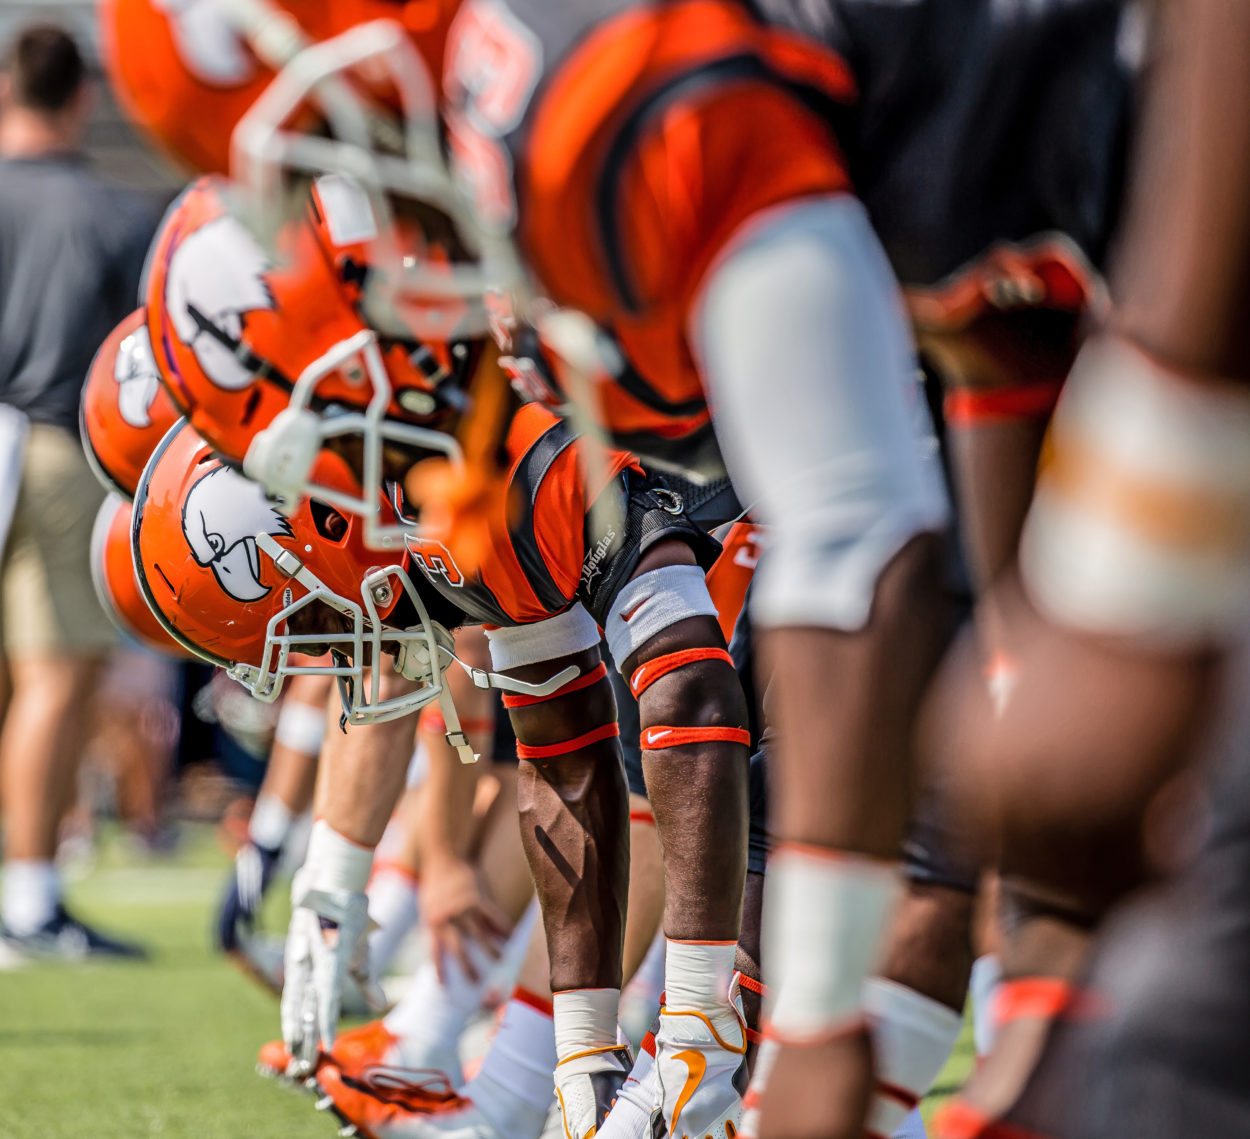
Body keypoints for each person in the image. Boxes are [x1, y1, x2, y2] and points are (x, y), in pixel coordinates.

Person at [0, 23, 157, 958]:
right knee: (59, 681)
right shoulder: (107, 209)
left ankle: (29, 888)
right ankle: (29, 898)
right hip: (54, 450)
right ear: (82, 99)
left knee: (34, 686)